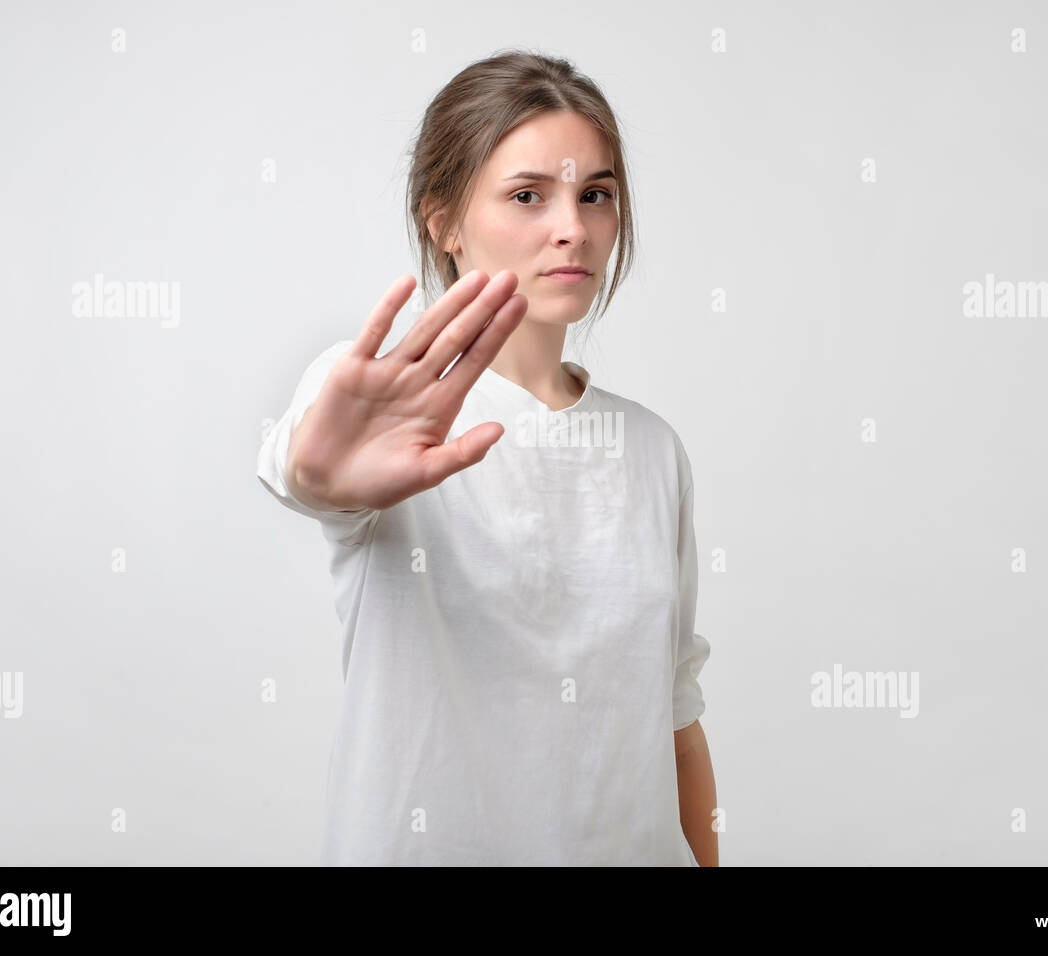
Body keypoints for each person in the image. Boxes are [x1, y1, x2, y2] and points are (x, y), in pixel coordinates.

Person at [256, 50, 716, 866]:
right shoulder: (379, 411)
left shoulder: (652, 451)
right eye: (528, 195)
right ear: (444, 222)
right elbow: (310, 468)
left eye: (595, 195)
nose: (572, 225)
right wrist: (318, 476)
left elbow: (676, 722)